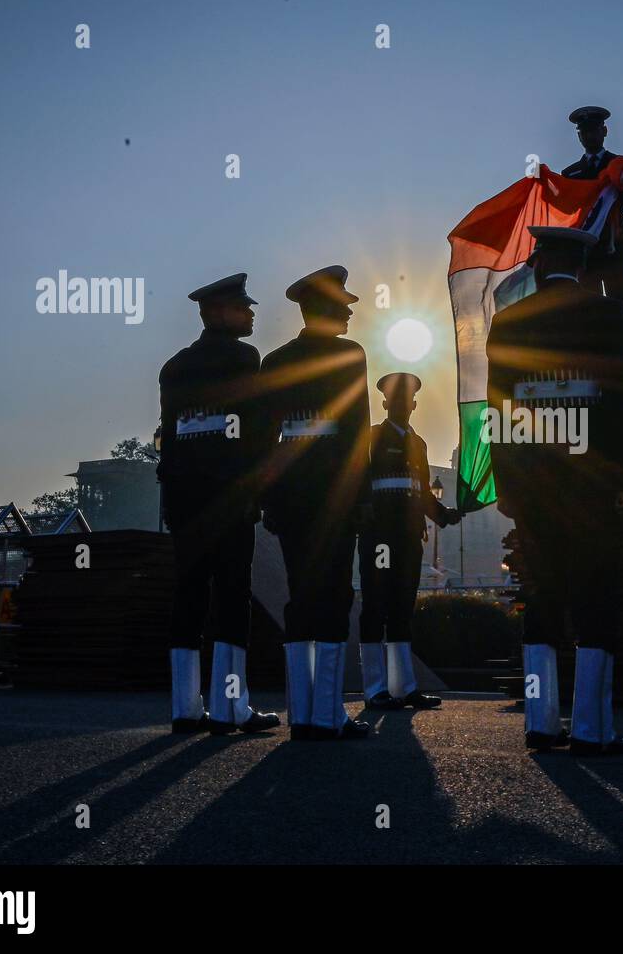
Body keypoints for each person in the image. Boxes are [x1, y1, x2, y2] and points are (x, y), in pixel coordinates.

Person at [486, 225, 623, 755]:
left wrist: (507, 485)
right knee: (597, 600)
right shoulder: (607, 315)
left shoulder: (507, 322)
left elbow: (499, 413)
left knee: (541, 599)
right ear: (581, 266)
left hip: (534, 486)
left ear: (538, 261)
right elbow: (621, 404)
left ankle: (541, 722)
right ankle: (594, 729)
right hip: (590, 485)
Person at [158, 273, 280, 736]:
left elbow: (168, 439)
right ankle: (231, 707)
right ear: (216, 313)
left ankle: (185, 708)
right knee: (232, 597)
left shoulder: (174, 367)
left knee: (188, 596)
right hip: (229, 496)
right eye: (242, 307)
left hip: (187, 498)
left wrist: (170, 498)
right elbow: (260, 429)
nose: (251, 313)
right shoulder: (245, 357)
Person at [259, 266, 372, 741]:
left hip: (291, 498)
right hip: (334, 496)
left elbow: (265, 441)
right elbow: (356, 433)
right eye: (342, 305)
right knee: (332, 598)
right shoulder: (349, 356)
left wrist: (269, 497)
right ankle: (328, 714)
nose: (349, 311)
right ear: (325, 308)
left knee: (301, 599)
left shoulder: (275, 361)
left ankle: (302, 713)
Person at [358, 372, 461, 710]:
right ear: (386, 404)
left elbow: (421, 492)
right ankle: (375, 689)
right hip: (380, 538)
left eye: (408, 400)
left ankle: (404, 687)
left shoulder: (419, 444)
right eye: (396, 400)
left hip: (408, 537)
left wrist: (443, 514)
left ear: (414, 405)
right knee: (376, 606)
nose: (403, 405)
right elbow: (357, 483)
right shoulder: (371, 438)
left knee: (402, 609)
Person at [561, 106, 623, 309]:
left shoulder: (621, 165)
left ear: (604, 131)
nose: (589, 135)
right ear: (579, 136)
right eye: (584, 132)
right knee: (589, 313)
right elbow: (566, 215)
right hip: (586, 253)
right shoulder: (571, 173)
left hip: (616, 249)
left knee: (621, 310)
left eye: (594, 130)